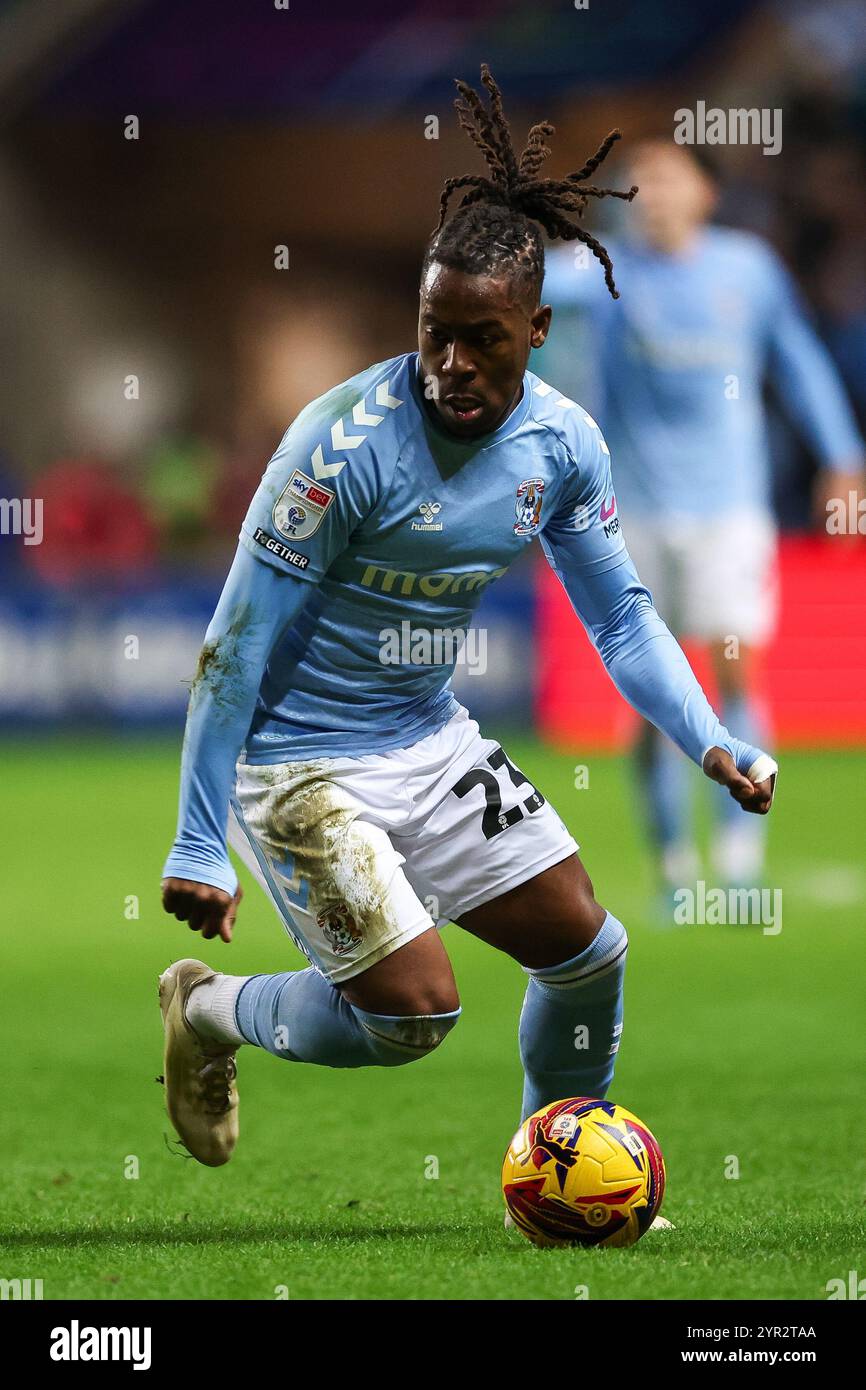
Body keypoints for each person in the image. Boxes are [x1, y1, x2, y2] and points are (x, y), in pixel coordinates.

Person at [158, 72, 776, 1202]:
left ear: (536, 330)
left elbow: (621, 616)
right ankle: (204, 1006)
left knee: (590, 950)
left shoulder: (560, 445)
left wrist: (707, 742)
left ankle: (559, 1166)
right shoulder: (337, 448)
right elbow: (231, 648)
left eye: (480, 340)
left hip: (425, 736)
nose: (449, 365)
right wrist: (198, 841)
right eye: (433, 333)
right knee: (413, 1016)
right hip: (297, 761)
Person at [540, 139, 863, 895]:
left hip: (729, 510)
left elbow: (799, 360)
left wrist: (843, 456)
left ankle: (740, 857)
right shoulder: (602, 270)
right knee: (653, 695)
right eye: (637, 181)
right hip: (632, 517)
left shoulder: (747, 271)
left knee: (733, 664)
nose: (650, 192)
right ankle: (673, 867)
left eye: (665, 178)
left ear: (703, 194)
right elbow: (518, 281)